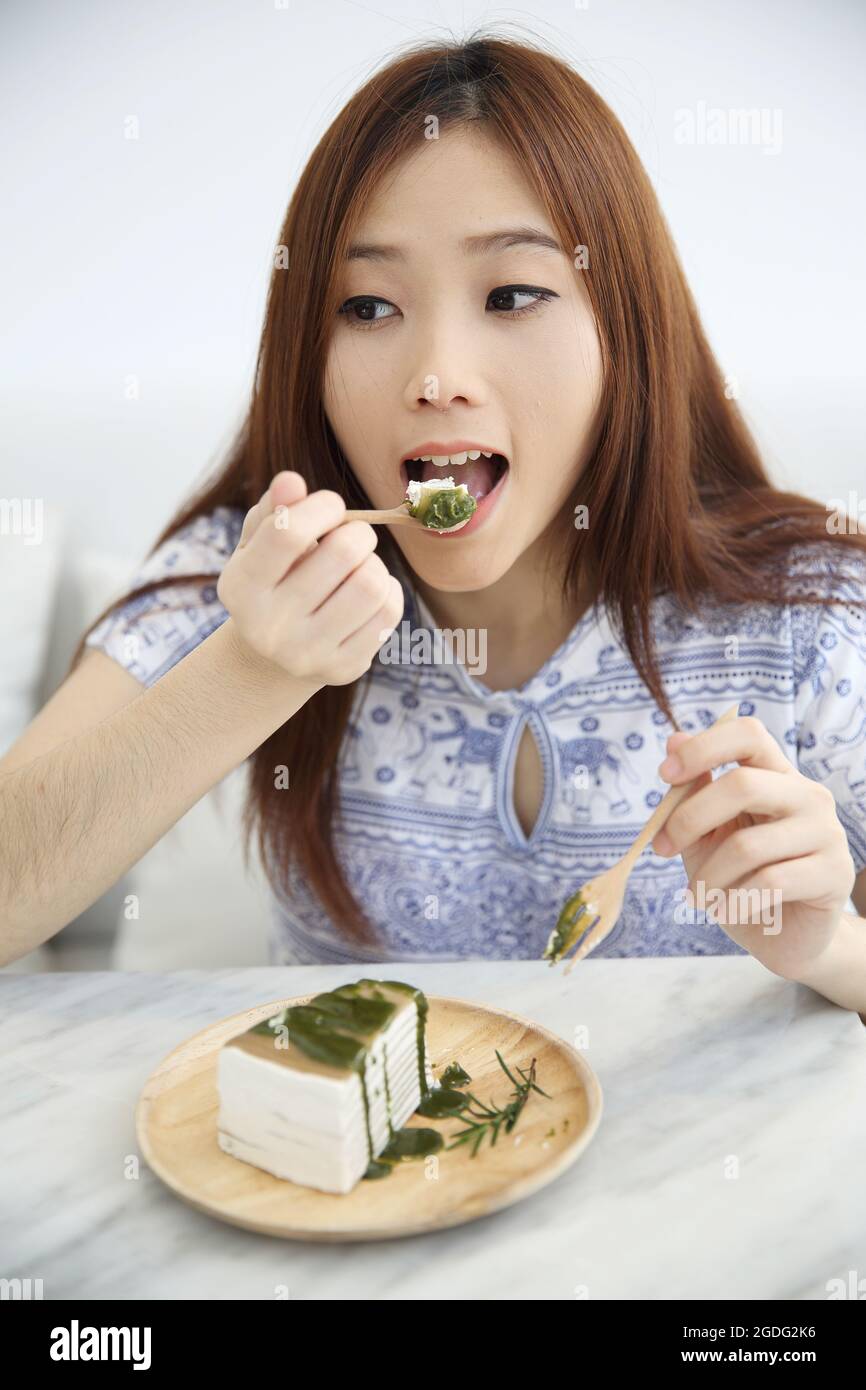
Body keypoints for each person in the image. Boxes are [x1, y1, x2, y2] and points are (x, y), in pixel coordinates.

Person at [2, 35, 865, 1013]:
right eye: (367, 307)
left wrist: (830, 946)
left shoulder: (813, 619)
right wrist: (254, 670)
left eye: (510, 295)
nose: (434, 375)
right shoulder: (244, 576)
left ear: (623, 331)